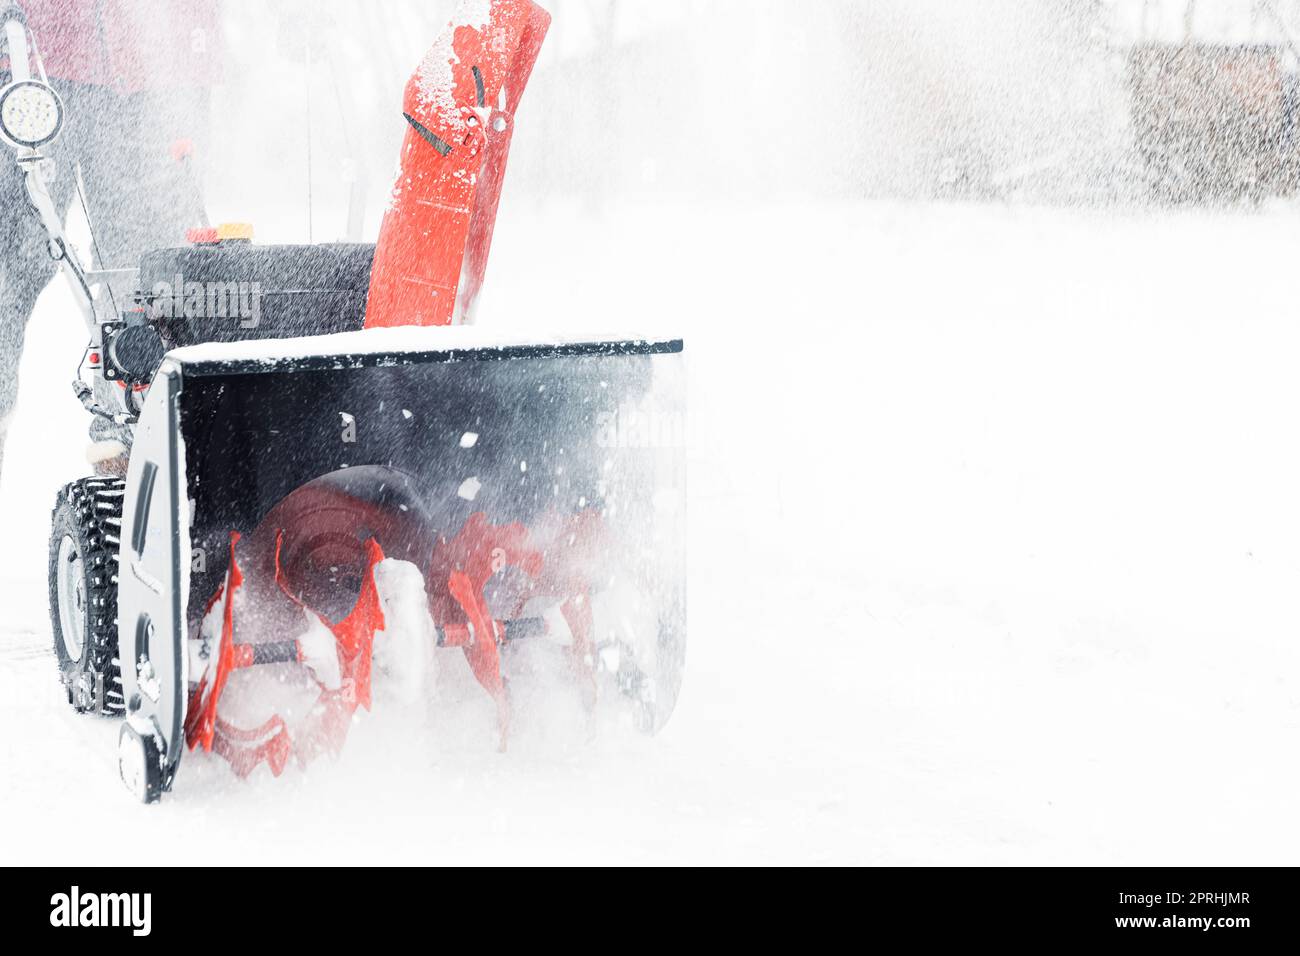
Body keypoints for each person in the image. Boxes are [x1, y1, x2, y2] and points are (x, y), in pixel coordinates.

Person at [0, 0, 220, 478]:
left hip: (161, 60)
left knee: (151, 274)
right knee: (9, 268)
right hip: (31, 48)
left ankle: (130, 442)